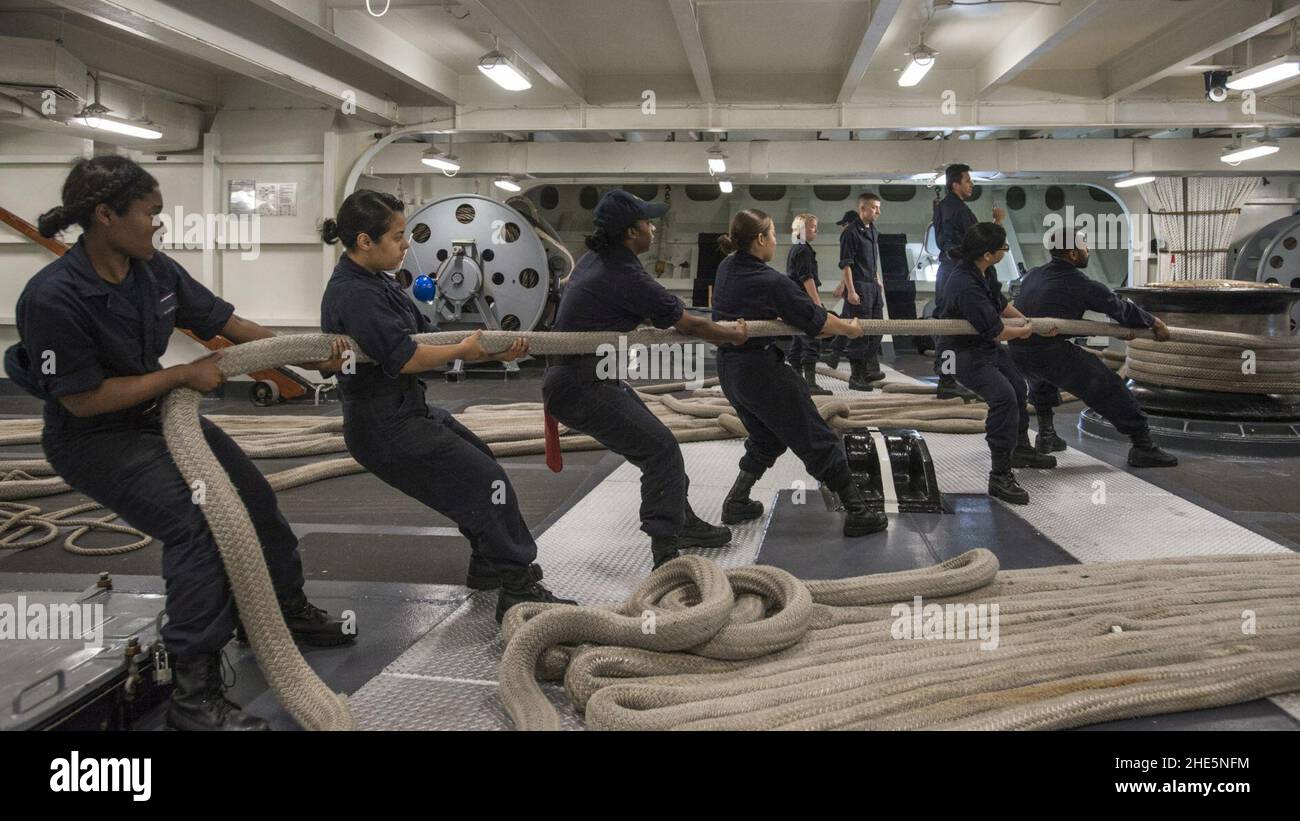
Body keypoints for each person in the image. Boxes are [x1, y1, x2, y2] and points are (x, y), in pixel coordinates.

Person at [10, 156, 350, 731]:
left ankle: (281, 614)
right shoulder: (53, 297)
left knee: (254, 500)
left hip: (157, 417)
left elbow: (229, 325)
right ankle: (193, 697)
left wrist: (298, 350)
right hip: (94, 440)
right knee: (199, 524)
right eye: (151, 214)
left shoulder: (152, 269)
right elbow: (82, 400)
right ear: (105, 216)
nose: (158, 225)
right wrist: (180, 376)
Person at [319, 190, 575, 622]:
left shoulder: (379, 283)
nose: (406, 245)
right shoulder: (353, 294)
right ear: (365, 241)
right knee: (485, 481)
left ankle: (488, 565)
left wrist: (493, 351)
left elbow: (428, 336)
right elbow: (407, 357)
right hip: (383, 426)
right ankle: (518, 586)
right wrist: (472, 353)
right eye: (399, 237)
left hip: (407, 412)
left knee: (482, 461)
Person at [543, 191, 746, 569]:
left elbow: (623, 305)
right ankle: (665, 549)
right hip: (582, 383)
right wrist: (735, 335)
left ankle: (680, 519)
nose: (653, 228)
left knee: (656, 444)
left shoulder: (595, 259)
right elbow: (691, 324)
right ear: (630, 232)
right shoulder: (623, 273)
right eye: (648, 223)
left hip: (586, 376)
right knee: (661, 450)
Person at [712, 209, 888, 537]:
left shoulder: (726, 267)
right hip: (760, 371)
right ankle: (858, 510)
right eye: (772, 236)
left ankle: (737, 500)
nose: (775, 242)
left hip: (730, 371)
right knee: (815, 436)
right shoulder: (769, 281)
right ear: (760, 239)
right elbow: (819, 324)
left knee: (767, 436)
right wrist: (850, 328)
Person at [1009, 231, 1178, 467]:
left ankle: (1046, 436)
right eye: (1084, 247)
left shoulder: (1033, 275)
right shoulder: (1080, 283)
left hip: (1018, 349)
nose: (1088, 250)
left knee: (1041, 379)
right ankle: (1143, 446)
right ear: (1072, 254)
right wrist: (1153, 322)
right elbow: (1119, 310)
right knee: (1108, 387)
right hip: (1048, 351)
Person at [934, 223, 1058, 505]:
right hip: (958, 352)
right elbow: (997, 330)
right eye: (1003, 248)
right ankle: (999, 475)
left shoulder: (983, 271)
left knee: (1017, 387)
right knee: (1003, 397)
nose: (1005, 251)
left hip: (983, 344)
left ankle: (1020, 450)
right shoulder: (964, 283)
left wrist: (1028, 321)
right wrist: (1026, 331)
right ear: (988, 254)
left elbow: (1000, 304)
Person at [933, 164, 1004, 400]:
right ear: (955, 184)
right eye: (967, 180)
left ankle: (949, 378)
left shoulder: (951, 208)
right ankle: (947, 381)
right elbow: (965, 244)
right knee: (950, 329)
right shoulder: (955, 210)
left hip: (952, 272)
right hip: (956, 273)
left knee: (951, 329)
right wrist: (997, 225)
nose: (971, 184)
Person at [822, 194, 887, 391]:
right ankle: (856, 377)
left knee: (876, 330)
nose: (878, 211)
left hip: (872, 286)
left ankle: (867, 370)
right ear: (863, 209)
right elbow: (847, 264)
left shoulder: (874, 230)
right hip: (859, 287)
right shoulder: (850, 232)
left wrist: (877, 278)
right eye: (875, 207)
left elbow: (871, 259)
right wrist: (850, 290)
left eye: (878, 207)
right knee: (858, 333)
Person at [784, 212, 831, 395]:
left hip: (795, 299)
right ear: (803, 229)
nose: (816, 230)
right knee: (811, 339)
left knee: (798, 340)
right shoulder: (803, 249)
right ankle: (810, 384)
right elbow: (807, 278)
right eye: (813, 226)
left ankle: (797, 382)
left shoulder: (795, 248)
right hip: (804, 300)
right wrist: (817, 304)